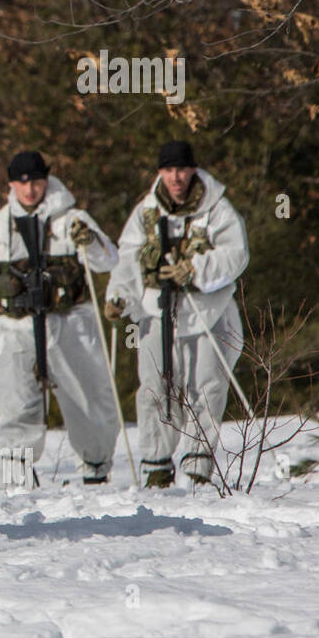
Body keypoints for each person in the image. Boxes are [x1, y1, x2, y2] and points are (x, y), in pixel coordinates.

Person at [0, 152, 121, 484]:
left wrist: (92, 241)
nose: (30, 190)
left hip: (69, 324)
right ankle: (17, 472)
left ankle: (96, 467)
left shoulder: (72, 219)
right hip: (15, 327)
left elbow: (107, 259)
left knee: (88, 398)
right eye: (23, 183)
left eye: (37, 182)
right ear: (12, 184)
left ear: (47, 180)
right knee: (16, 404)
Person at [104, 140, 248, 487]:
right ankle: (156, 465)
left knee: (207, 386)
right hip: (157, 310)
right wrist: (119, 296)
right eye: (168, 170)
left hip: (207, 311)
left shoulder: (217, 209)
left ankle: (198, 466)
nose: (175, 177)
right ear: (160, 173)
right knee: (155, 386)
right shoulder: (145, 213)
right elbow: (128, 258)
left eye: (181, 169)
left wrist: (195, 269)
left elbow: (236, 254)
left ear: (193, 170)